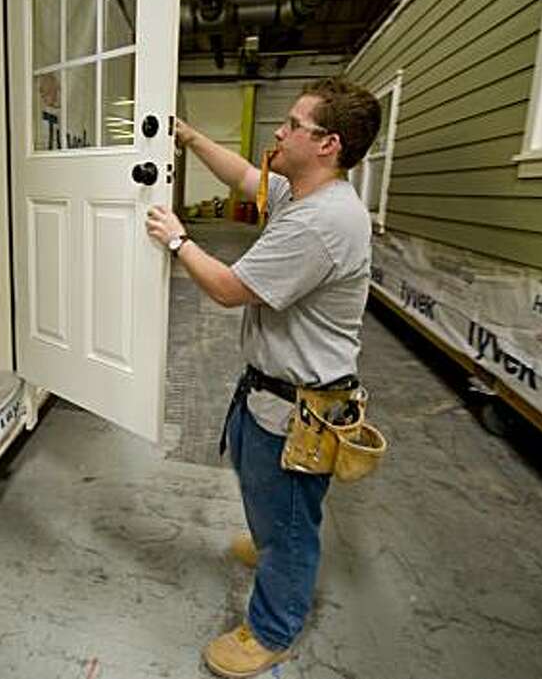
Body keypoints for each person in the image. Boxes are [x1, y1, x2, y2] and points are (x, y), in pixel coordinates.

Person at [145, 77, 381, 678]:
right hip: (271, 392)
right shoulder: (300, 194)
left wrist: (177, 240)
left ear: (327, 143)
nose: (280, 131)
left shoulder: (323, 222)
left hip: (302, 406)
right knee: (262, 487)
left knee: (292, 528)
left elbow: (228, 290)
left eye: (293, 124)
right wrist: (191, 137)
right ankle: (272, 538)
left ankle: (271, 629)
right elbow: (243, 178)